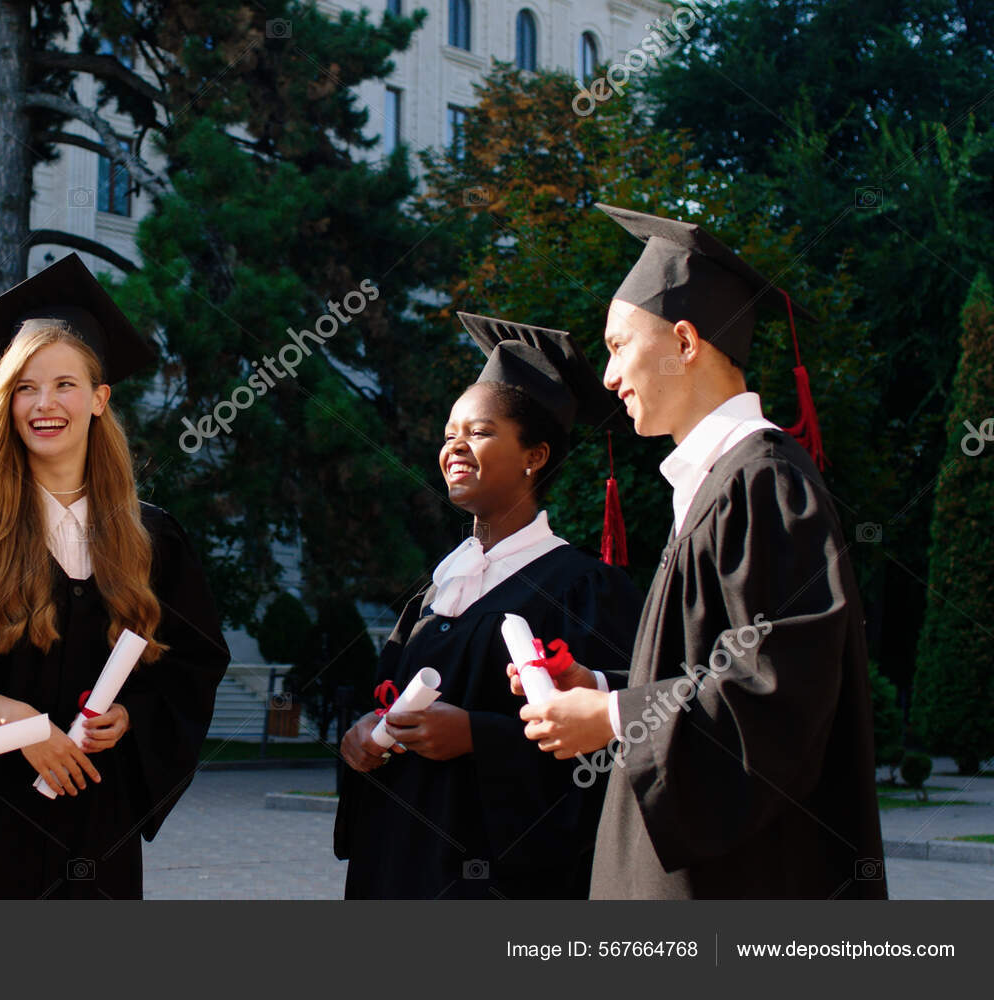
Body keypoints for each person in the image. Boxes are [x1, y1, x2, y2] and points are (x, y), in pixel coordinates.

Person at [515, 204, 886, 899]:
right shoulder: (720, 483)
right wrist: (601, 689)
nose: (607, 376)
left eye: (619, 345)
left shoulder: (764, 484)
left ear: (685, 342)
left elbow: (777, 693)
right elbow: (711, 666)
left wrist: (615, 719)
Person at [0, 253, 231, 899]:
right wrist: (2, 715)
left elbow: (190, 668)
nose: (44, 403)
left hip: (92, 829)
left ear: (99, 399)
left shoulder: (151, 540)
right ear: (4, 402)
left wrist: (131, 718)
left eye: (65, 384)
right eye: (25, 387)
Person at [334, 313, 642, 899]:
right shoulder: (438, 588)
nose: (454, 447)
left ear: (535, 455)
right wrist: (362, 736)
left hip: (498, 884)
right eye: (449, 433)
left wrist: (480, 737)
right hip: (395, 864)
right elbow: (386, 703)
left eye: (479, 432)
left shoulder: (584, 588)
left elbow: (612, 755)